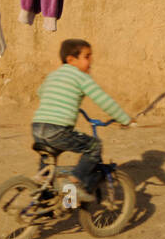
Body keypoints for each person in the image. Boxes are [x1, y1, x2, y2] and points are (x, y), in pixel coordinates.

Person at [31, 39, 135, 201]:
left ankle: (44, 203)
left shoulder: (53, 75)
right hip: (57, 130)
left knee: (48, 165)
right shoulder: (80, 77)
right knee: (94, 146)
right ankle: (75, 182)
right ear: (71, 60)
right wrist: (124, 119)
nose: (91, 60)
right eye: (87, 56)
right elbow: (104, 100)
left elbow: (40, 92)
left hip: (37, 127)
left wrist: (61, 102)